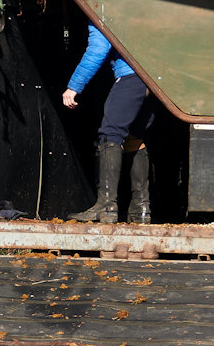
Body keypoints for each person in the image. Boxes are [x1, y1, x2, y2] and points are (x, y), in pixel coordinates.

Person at [62, 24, 153, 224]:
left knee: (110, 133)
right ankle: (141, 209)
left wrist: (73, 86)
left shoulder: (102, 9)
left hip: (131, 76)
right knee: (134, 137)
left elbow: (98, 49)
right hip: (154, 80)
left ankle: (106, 206)